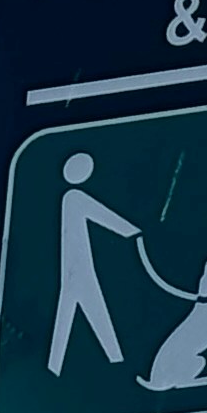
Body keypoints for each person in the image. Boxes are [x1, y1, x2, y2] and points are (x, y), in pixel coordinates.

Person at [46, 151, 138, 375]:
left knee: (75, 313)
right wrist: (130, 231)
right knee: (80, 312)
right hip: (77, 269)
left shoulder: (72, 197)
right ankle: (58, 366)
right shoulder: (74, 197)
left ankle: (56, 366)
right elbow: (101, 214)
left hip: (79, 269)